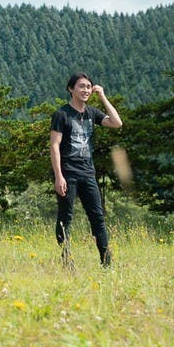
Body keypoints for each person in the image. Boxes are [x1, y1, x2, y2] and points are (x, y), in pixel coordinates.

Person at [50, 72, 122, 266]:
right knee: (66, 217)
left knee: (97, 217)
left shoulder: (92, 113)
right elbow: (54, 145)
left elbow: (117, 123)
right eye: (81, 86)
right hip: (68, 173)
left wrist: (103, 97)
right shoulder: (62, 114)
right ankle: (67, 260)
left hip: (88, 173)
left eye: (89, 87)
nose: (86, 90)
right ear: (71, 89)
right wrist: (59, 176)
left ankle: (106, 263)